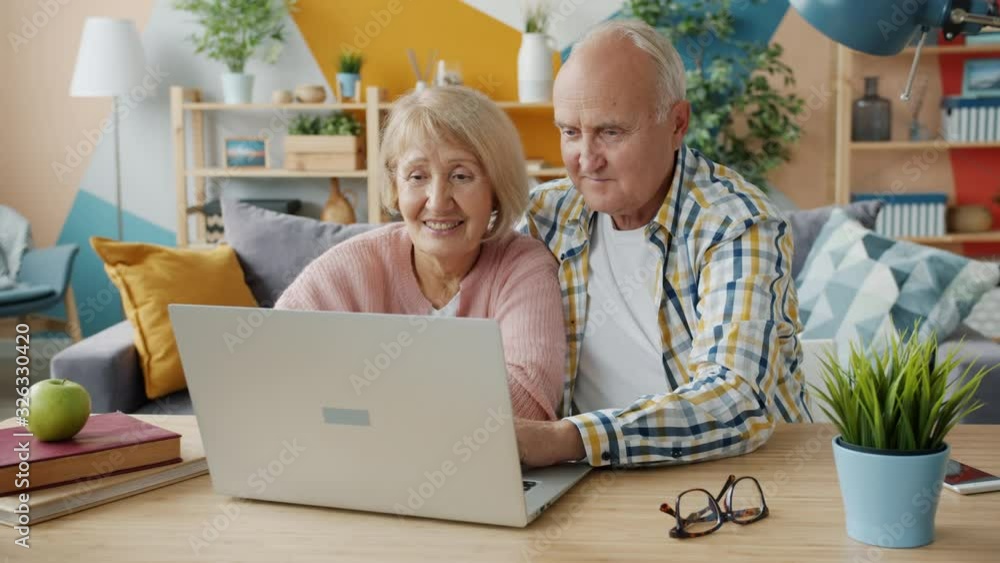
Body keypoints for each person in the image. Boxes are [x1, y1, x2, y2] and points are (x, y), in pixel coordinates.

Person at [515, 20, 809, 467]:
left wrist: (567, 439)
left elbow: (736, 400)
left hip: (739, 479)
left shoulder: (736, 223)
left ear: (677, 123)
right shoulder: (546, 216)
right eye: (570, 132)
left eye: (611, 132)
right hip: (590, 478)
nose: (586, 160)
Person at [276, 86, 566, 421]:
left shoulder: (524, 267)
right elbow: (274, 366)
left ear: (497, 190)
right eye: (417, 176)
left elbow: (529, 403)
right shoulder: (351, 265)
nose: (438, 201)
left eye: (461, 176)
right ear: (395, 186)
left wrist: (367, 404)